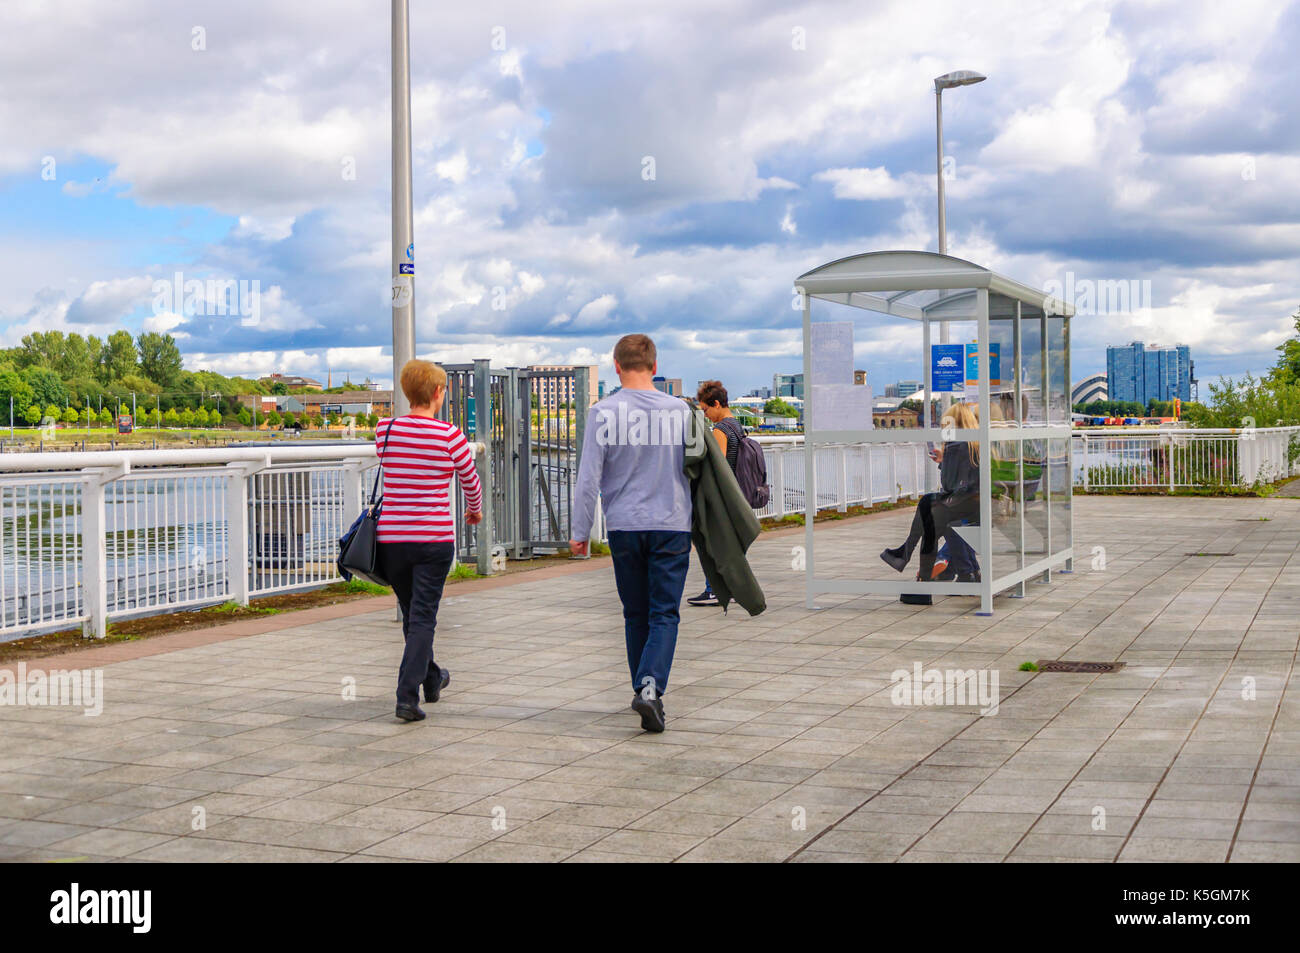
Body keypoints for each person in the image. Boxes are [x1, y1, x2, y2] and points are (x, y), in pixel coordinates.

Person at [569, 334, 692, 733]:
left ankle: (644, 689)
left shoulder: (602, 412)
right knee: (664, 613)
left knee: (635, 613)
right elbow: (700, 472)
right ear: (654, 367)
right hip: (672, 524)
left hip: (624, 524)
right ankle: (650, 689)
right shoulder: (682, 411)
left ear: (616, 367)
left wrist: (580, 531)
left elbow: (588, 479)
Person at [375, 359, 483, 722]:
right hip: (433, 539)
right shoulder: (450, 436)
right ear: (439, 393)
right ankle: (406, 696)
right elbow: (470, 479)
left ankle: (432, 678)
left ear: (407, 393)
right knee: (422, 618)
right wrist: (475, 511)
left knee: (412, 615)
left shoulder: (385, 431)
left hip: (392, 541)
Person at [880, 402, 980, 583]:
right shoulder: (974, 444)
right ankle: (967, 573)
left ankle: (911, 560)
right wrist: (944, 460)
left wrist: (944, 461)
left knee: (931, 515)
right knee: (930, 514)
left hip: (964, 503)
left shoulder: (956, 445)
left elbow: (949, 484)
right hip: (976, 504)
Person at [687, 380, 746, 607]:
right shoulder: (737, 425)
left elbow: (718, 465)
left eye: (706, 409)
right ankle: (727, 588)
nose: (706, 415)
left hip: (723, 495)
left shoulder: (721, 430)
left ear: (717, 404)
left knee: (714, 544)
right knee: (728, 544)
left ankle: (714, 590)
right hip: (737, 491)